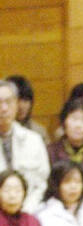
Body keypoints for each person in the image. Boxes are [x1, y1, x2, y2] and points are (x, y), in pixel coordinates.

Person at [0, 78, 49, 210]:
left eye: (8, 102)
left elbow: (41, 184)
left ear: (16, 105)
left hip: (28, 212)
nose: (3, 108)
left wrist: (25, 211)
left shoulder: (34, 140)